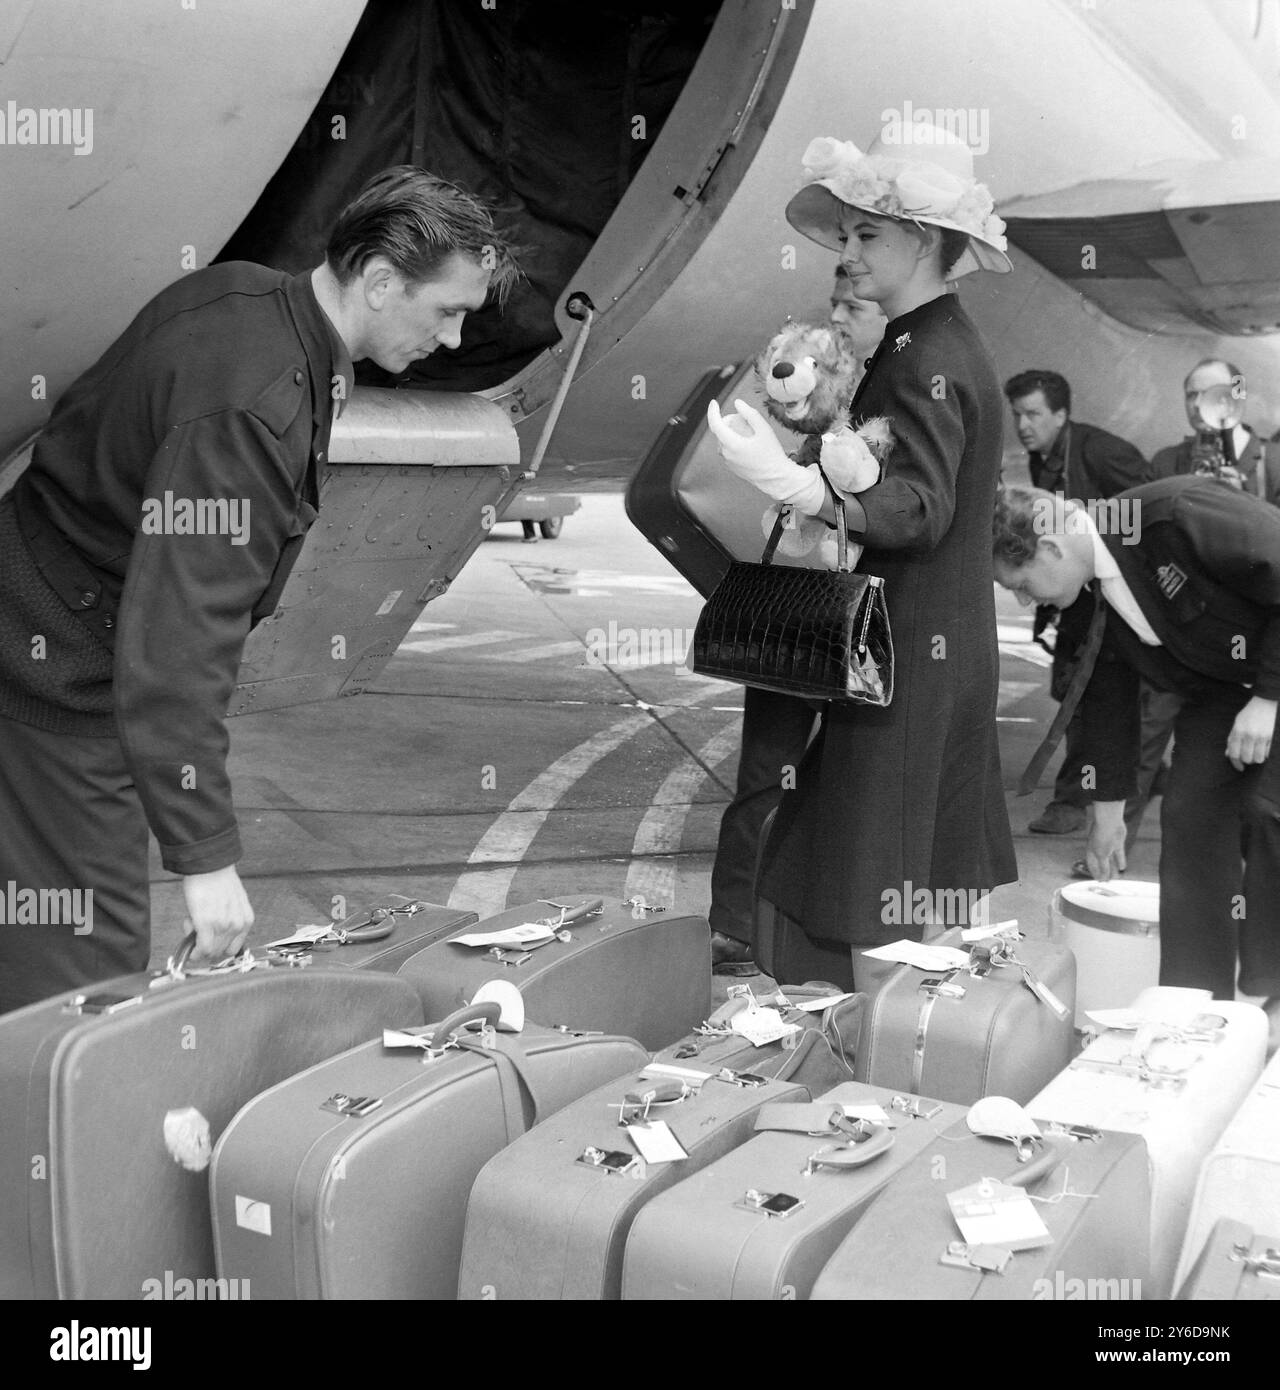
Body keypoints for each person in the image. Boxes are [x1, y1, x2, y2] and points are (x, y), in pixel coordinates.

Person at [0, 166, 517, 1013]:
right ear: (380, 282)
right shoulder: (253, 408)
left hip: (44, 613)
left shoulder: (248, 298)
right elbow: (176, 641)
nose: (455, 341)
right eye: (448, 311)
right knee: (83, 994)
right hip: (56, 666)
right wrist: (205, 859)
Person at [706, 125, 1017, 993]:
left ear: (924, 240)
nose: (846, 252)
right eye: (845, 233)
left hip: (910, 652)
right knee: (920, 865)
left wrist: (803, 492)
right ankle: (936, 1042)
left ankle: (899, 1058)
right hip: (932, 646)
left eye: (866, 233)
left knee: (877, 871)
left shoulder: (929, 357)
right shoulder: (934, 342)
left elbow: (920, 509)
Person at [992, 478, 1280, 1035]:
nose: (1026, 600)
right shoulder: (1083, 595)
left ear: (1050, 548)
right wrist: (1107, 815)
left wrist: (1269, 696)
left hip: (1270, 676)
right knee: (1191, 821)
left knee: (1270, 815)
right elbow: (1106, 701)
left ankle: (1270, 992)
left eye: (1022, 584)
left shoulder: (1174, 516)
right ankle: (1195, 1005)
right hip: (1220, 695)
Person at [708, 275, 886, 971]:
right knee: (764, 780)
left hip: (860, 630)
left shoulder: (891, 407)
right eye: (836, 309)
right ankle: (734, 926)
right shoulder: (824, 424)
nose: (838, 317)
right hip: (802, 626)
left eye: (854, 309)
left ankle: (816, 927)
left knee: (843, 790)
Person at [1003, 369, 1153, 839]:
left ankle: (1077, 803)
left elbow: (1146, 513)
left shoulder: (1103, 451)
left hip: (1110, 600)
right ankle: (1080, 798)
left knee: (1097, 701)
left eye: (1033, 414)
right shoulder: (1043, 456)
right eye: (1018, 415)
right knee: (1073, 697)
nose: (1024, 425)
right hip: (1074, 603)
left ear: (1062, 414)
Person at [1152, 358, 1280, 504]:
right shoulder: (1165, 461)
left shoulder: (1276, 462)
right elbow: (1130, 522)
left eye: (1212, 393)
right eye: (1191, 395)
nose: (1197, 404)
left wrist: (1244, 505)